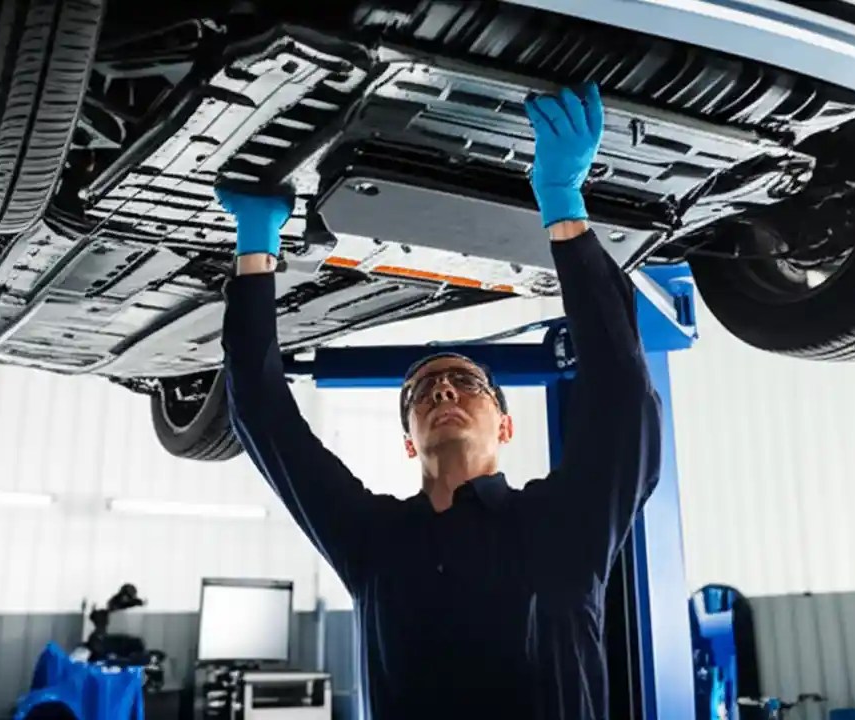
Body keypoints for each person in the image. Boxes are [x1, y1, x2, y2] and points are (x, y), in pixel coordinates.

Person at [217, 82, 662, 720]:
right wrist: (258, 243)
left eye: (466, 383)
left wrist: (562, 200)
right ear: (408, 439)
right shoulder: (375, 542)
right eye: (423, 391)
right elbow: (265, 421)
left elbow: (623, 401)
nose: (443, 390)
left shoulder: (569, 521)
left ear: (505, 425)